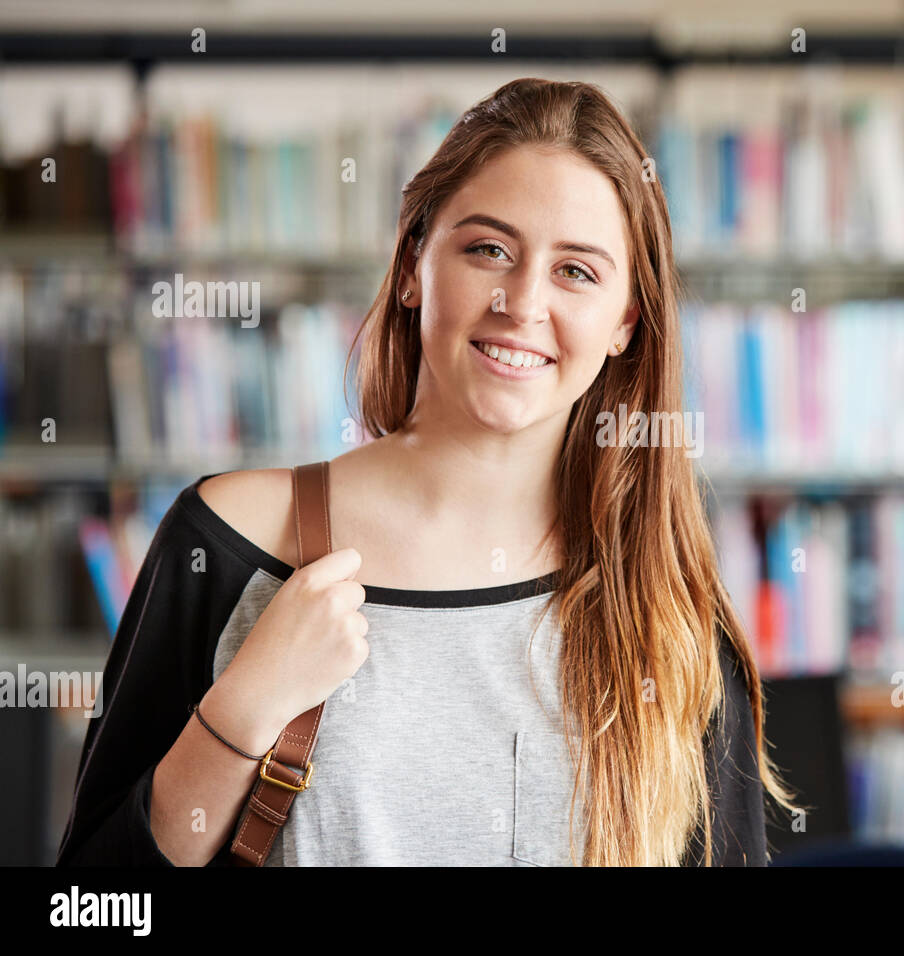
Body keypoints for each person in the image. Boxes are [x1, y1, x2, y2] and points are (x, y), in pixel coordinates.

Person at [55, 77, 798, 867]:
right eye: (488, 249)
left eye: (576, 272)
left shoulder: (665, 612)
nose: (521, 302)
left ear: (624, 322)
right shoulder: (231, 540)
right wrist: (243, 710)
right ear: (414, 267)